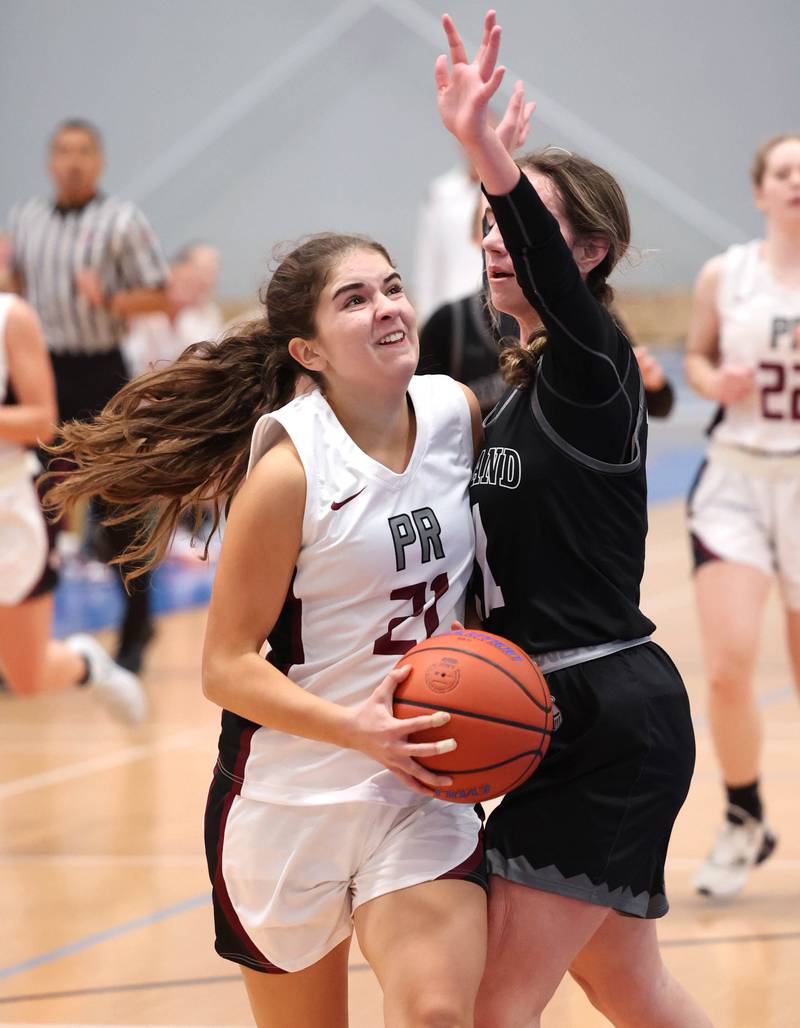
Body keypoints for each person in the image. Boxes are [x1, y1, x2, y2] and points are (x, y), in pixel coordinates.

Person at [45, 232, 491, 1027]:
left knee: (436, 1014)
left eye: (391, 287)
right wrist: (355, 729)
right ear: (307, 350)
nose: (386, 307)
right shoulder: (289, 473)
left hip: (416, 791)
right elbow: (224, 666)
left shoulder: (455, 412)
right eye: (354, 300)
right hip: (290, 799)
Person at [434, 12, 710, 1026]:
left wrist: (483, 150)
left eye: (520, 227)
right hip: (560, 706)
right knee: (625, 984)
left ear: (587, 253)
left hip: (603, 714)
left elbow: (547, 273)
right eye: (488, 223)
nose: (495, 244)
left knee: (492, 1004)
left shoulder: (591, 369)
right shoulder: (517, 387)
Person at [4, 118, 177, 672]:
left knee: (118, 510)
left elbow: (162, 296)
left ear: (98, 162)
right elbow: (19, 294)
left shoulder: (121, 220)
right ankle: (24, 646)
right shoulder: (25, 220)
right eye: (63, 152)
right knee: (31, 505)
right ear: (50, 162)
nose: (73, 162)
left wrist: (108, 301)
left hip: (102, 374)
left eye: (83, 152)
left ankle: (135, 629)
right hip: (41, 371)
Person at [685, 132, 800, 898]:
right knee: (727, 671)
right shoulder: (725, 276)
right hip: (733, 479)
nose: (799, 183)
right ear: (760, 191)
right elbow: (693, 357)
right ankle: (744, 815)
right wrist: (709, 379)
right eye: (786, 172)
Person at [0, 293, 145, 723]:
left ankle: (86, 664)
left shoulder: (11, 316)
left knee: (25, 677)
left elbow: (43, 422)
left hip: (9, 505)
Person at [123, 243, 223, 378]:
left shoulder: (207, 313)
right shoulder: (142, 311)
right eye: (201, 270)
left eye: (212, 271)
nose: (206, 278)